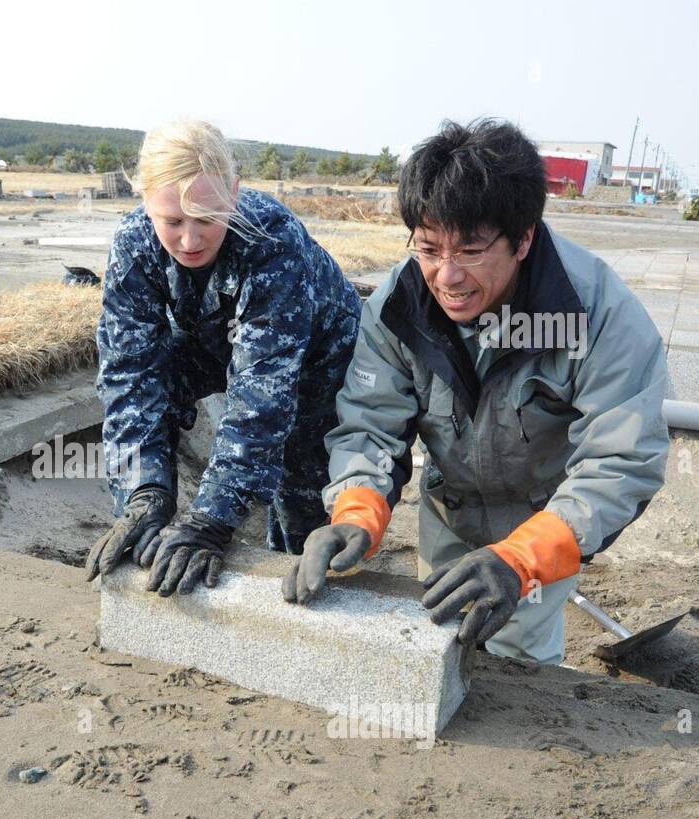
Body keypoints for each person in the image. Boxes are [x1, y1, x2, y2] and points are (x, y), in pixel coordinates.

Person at [286, 119, 669, 665]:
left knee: (514, 668)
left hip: (543, 523)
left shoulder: (597, 313)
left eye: (470, 250)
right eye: (428, 248)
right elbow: (370, 425)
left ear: (524, 238)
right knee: (435, 649)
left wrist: (522, 560)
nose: (447, 276)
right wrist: (355, 514)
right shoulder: (398, 307)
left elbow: (622, 459)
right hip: (451, 510)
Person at [85, 119, 362, 596]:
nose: (190, 241)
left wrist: (212, 520)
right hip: (215, 342)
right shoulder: (134, 243)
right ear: (145, 200)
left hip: (319, 363)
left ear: (233, 193)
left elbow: (262, 396)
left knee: (300, 494)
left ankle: (297, 579)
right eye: (172, 222)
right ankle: (151, 502)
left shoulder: (271, 242)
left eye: (207, 219)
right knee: (154, 383)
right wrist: (142, 489)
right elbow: (129, 374)